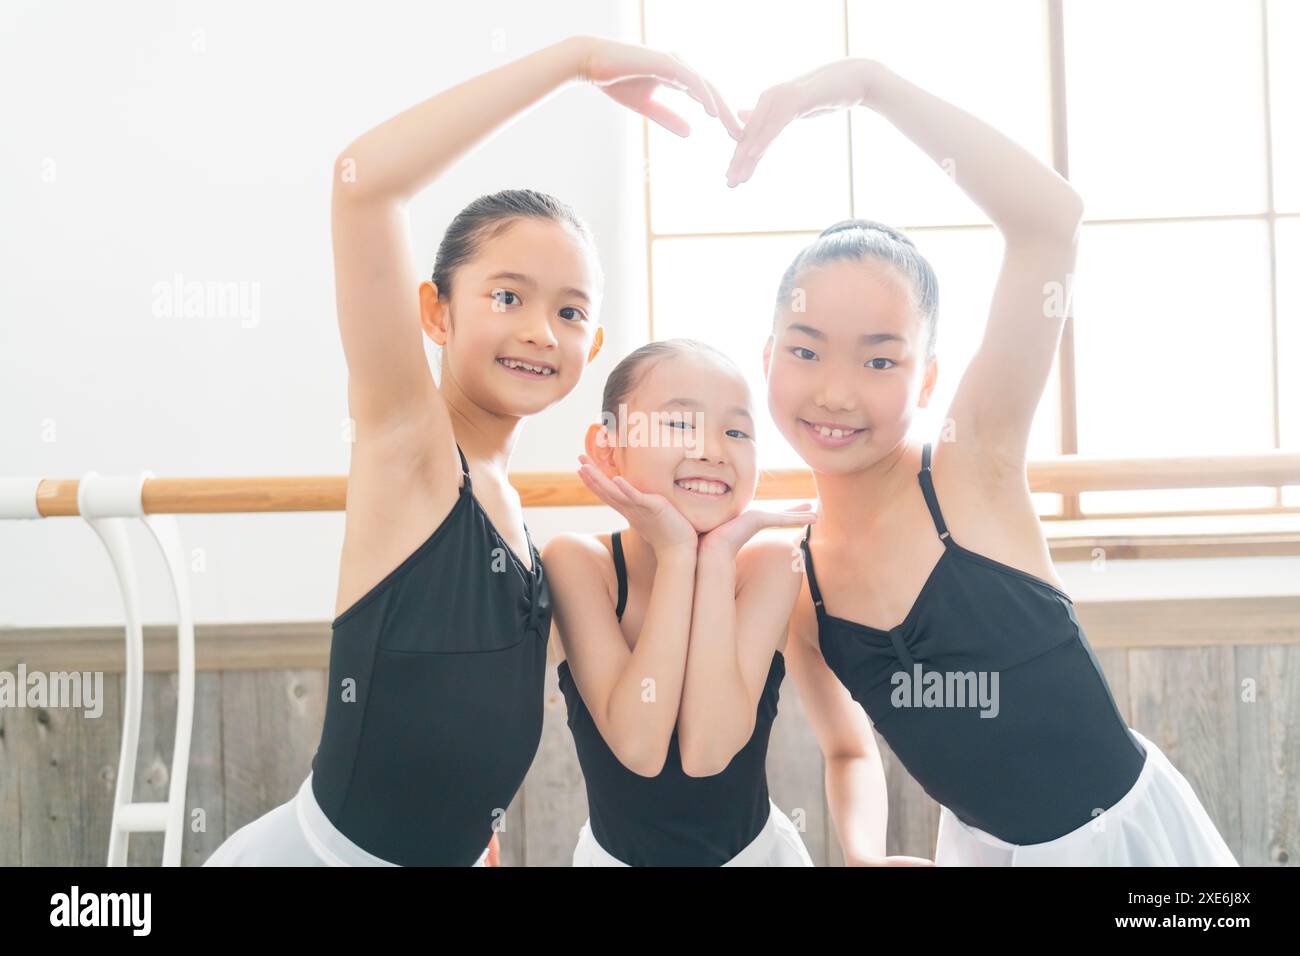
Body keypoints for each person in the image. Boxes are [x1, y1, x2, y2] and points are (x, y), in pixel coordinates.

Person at [205, 34, 737, 866]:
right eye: (506, 295)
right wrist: (574, 61)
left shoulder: (511, 508)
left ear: (591, 345)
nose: (538, 329)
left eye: (569, 312)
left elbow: (467, 718)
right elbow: (362, 185)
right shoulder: (409, 448)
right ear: (436, 312)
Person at [731, 56, 1238, 866]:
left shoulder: (973, 469)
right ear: (767, 360)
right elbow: (848, 750)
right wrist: (861, 856)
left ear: (927, 378)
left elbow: (1051, 220)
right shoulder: (800, 583)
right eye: (806, 351)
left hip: (1127, 850)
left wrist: (869, 84)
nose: (835, 392)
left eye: (879, 361)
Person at [544, 339, 817, 865]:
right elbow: (640, 748)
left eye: (737, 431)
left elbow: (708, 751)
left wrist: (713, 561)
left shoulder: (770, 562)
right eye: (681, 425)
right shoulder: (578, 563)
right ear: (608, 448)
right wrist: (675, 555)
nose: (714, 450)